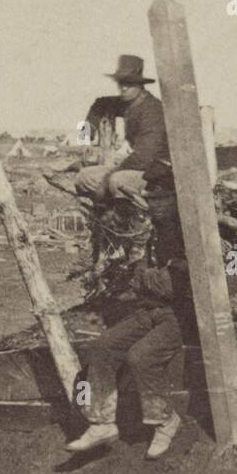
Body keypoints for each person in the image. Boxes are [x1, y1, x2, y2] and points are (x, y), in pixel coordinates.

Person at [67, 195, 196, 459]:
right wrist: (150, 277)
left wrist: (146, 276)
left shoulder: (188, 235)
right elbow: (140, 281)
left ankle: (165, 420)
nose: (154, 204)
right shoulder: (154, 235)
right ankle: (102, 422)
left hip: (178, 316)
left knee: (141, 356)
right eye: (150, 200)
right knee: (102, 346)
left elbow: (170, 286)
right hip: (149, 310)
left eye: (160, 198)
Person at [71, 55, 171, 208]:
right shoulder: (128, 101)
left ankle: (128, 221)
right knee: (82, 178)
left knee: (116, 181)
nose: (123, 88)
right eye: (120, 82)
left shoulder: (152, 111)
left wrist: (107, 177)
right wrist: (84, 139)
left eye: (129, 84)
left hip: (158, 173)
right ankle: (105, 212)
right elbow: (98, 104)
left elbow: (142, 159)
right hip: (137, 167)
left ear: (140, 85)